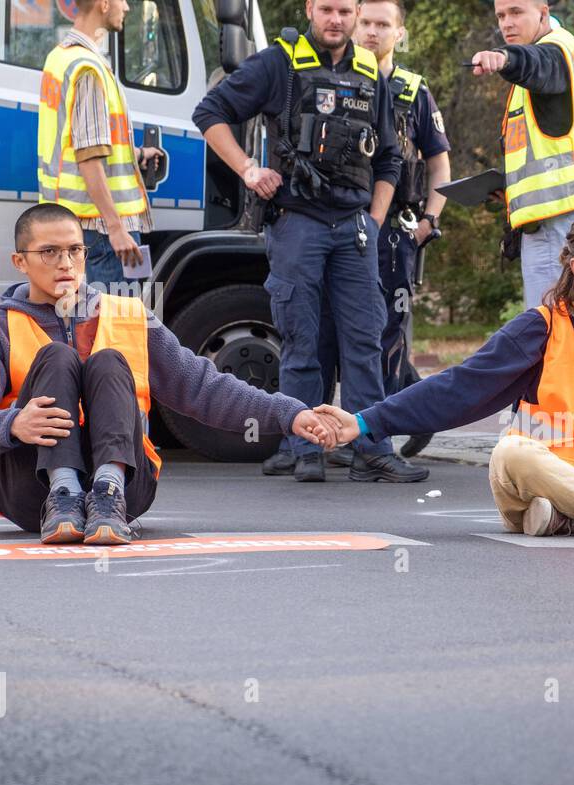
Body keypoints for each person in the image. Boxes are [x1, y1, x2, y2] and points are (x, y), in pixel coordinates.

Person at [313, 211, 574, 540]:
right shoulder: (540, 329)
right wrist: (367, 421)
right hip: (541, 481)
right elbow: (460, 388)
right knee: (512, 453)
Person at [0, 204, 334, 545]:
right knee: (57, 357)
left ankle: (107, 488)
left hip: (125, 493)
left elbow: (202, 387)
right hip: (28, 488)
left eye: (74, 250)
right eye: (49, 252)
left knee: (108, 360)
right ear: (20, 261)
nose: (65, 263)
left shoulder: (128, 315)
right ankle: (63, 493)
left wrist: (290, 413)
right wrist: (14, 423)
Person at [192, 0, 427, 484]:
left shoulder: (369, 72)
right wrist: (248, 169)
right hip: (297, 221)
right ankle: (305, 448)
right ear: (310, 10)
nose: (335, 20)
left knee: (364, 339)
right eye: (326, 10)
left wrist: (375, 220)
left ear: (356, 13)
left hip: (354, 226)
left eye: (345, 11)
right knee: (301, 340)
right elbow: (210, 112)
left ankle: (371, 450)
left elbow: (388, 159)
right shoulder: (281, 62)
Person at [313, 0, 452, 466]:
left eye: (382, 25)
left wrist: (430, 220)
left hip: (394, 232)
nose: (372, 32)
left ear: (400, 33)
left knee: (386, 333)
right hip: (341, 224)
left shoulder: (413, 91)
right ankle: (343, 432)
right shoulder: (334, 79)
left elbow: (438, 162)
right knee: (333, 332)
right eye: (366, 23)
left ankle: (381, 433)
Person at [470, 1, 574, 311]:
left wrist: (504, 58)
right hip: (571, 213)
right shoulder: (569, 51)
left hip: (556, 225)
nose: (507, 23)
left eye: (516, 12)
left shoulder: (553, 52)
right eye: (501, 16)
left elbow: (533, 63)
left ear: (542, 12)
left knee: (551, 323)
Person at [37, 0, 165, 292]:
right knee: (110, 328)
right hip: (101, 229)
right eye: (123, 0)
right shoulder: (88, 69)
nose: (128, 8)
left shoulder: (59, 58)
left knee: (82, 321)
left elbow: (74, 140)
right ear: (104, 4)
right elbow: (88, 158)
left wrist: (136, 155)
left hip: (70, 218)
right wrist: (117, 228)